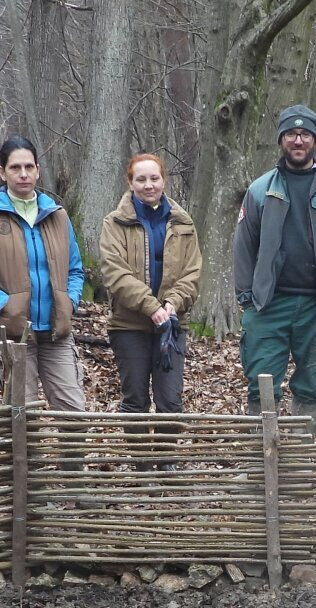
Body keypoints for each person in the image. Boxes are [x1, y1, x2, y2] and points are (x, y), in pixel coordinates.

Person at [232, 104, 316, 431]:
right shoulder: (260, 190)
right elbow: (243, 247)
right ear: (281, 140)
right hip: (268, 306)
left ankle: (299, 467)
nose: (298, 140)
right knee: (261, 384)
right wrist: (247, 299)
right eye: (291, 134)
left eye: (305, 134)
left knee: (311, 385)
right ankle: (260, 469)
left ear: (314, 140)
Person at [0, 136, 87, 410]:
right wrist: (5, 304)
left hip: (56, 332)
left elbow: (75, 269)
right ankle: (24, 456)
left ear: (38, 169)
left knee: (74, 413)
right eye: (15, 168)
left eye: (29, 166)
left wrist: (69, 301)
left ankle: (68, 455)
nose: (24, 174)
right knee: (21, 417)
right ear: (2, 172)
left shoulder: (58, 216)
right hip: (12, 334)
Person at [98, 153, 203, 416]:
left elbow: (192, 272)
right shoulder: (114, 223)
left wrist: (172, 304)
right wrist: (151, 307)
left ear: (164, 180)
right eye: (141, 179)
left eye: (154, 178)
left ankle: (167, 457)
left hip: (172, 324)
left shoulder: (183, 222)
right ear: (130, 182)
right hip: (129, 325)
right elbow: (115, 273)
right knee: (135, 400)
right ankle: (140, 458)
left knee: (170, 401)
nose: (149, 185)